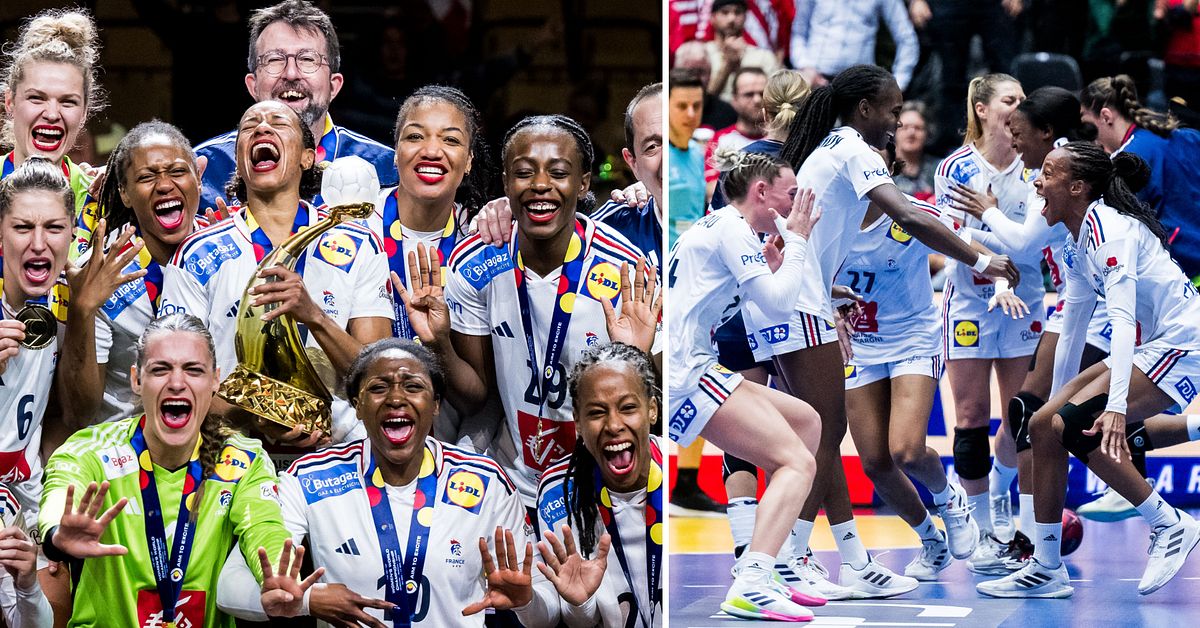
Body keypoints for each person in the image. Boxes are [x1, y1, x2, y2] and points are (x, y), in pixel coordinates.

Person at [772, 65, 1017, 599]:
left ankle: (819, 558)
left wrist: (828, 291)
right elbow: (907, 212)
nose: (897, 123)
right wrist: (985, 262)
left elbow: (913, 224)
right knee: (831, 443)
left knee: (851, 443)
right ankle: (792, 561)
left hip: (883, 328)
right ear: (864, 109)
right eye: (892, 110)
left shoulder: (827, 154)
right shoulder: (850, 149)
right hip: (816, 316)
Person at [977, 146, 1200, 598]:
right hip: (1152, 344)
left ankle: (1169, 523)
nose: (1037, 181)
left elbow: (1122, 323)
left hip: (1185, 344)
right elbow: (1072, 329)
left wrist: (1113, 407)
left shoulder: (1110, 232)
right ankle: (1046, 567)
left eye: (1048, 174)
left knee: (1078, 424)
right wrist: (1056, 405)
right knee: (1043, 425)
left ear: (1077, 188)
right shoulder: (1075, 242)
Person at [415, 115, 659, 509]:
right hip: (511, 483)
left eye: (558, 172)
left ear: (583, 183)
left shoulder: (625, 268)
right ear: (505, 183)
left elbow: (655, 406)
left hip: (599, 483)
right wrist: (439, 343)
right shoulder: (475, 262)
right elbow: (475, 397)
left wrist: (636, 356)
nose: (541, 184)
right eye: (524, 172)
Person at [214, 337, 530, 626]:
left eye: (413, 386)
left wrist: (527, 603)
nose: (396, 398)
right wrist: (306, 600)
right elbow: (229, 586)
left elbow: (544, 606)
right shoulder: (309, 477)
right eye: (378, 388)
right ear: (357, 405)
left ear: (435, 403)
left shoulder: (487, 481)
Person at [38, 313, 318, 626]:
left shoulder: (244, 458)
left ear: (215, 381)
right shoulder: (90, 449)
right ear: (137, 380)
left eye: (193, 370)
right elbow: (60, 493)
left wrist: (279, 574)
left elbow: (264, 527)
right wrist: (56, 533)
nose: (176, 383)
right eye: (160, 369)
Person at [160, 100, 394, 454]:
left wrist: (314, 316)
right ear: (239, 161)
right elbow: (176, 384)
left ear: (307, 157)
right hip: (231, 458)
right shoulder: (198, 254)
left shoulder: (357, 244)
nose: (262, 128)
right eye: (249, 126)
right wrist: (261, 409)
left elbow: (379, 375)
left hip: (339, 457)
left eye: (278, 123)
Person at [946, 87, 1114, 550]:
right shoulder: (1062, 161)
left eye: (1020, 132)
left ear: (1046, 132)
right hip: (1077, 299)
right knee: (1036, 416)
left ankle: (1152, 515)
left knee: (1052, 417)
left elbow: (1023, 243)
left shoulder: (1062, 170)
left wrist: (988, 212)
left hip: (1099, 303)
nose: (1015, 141)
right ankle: (1024, 527)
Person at [668, 148, 822, 620]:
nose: (797, 205)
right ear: (761, 192)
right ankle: (753, 579)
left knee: (806, 422)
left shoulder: (725, 228)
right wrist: (798, 241)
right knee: (797, 463)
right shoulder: (733, 229)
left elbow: (764, 302)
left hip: (689, 365)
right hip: (685, 373)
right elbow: (779, 306)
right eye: (791, 195)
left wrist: (776, 269)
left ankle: (779, 562)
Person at [838, 160, 979, 581]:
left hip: (913, 338)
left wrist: (995, 269)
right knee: (875, 463)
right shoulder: (830, 221)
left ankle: (949, 498)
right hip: (860, 344)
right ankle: (930, 540)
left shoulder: (912, 214)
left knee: (907, 451)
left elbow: (972, 242)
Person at [934, 73, 1038, 572]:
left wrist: (1007, 271)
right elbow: (951, 235)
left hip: (1026, 299)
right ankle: (978, 529)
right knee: (971, 416)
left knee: (1021, 414)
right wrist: (995, 272)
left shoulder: (1035, 164)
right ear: (981, 108)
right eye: (1009, 100)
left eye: (1023, 99)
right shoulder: (956, 168)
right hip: (970, 305)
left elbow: (1036, 236)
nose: (1019, 106)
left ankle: (1000, 496)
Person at [56, 121, 208, 436]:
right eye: (146, 177)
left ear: (199, 179)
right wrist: (83, 309)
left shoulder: (227, 253)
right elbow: (77, 415)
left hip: (208, 441)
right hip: (119, 446)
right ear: (124, 193)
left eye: (178, 172)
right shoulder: (97, 269)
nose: (164, 185)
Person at [494, 342, 662, 627]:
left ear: (652, 410)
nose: (613, 425)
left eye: (628, 408)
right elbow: (577, 620)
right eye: (596, 412)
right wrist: (577, 602)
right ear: (578, 423)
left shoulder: (672, 469)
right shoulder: (559, 491)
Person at [194, 0, 396, 210]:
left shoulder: (385, 168)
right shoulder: (205, 168)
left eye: (307, 59)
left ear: (333, 86)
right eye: (274, 59)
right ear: (253, 86)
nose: (291, 73)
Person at [0, 158, 79, 627]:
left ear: (71, 235)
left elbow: (75, 410)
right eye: (22, 227)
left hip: (26, 493)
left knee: (52, 610)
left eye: (53, 227)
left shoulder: (70, 299)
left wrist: (86, 311)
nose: (38, 242)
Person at [0, 7, 105, 262]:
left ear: (84, 113)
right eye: (36, 98)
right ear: (10, 103)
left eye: (68, 102)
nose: (52, 113)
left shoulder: (100, 197)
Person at [1080, 74, 1200, 281]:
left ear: (1106, 116)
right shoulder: (1189, 136)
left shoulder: (1126, 162)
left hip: (1185, 273)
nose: (1091, 139)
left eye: (1088, 126)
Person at [788, 0, 919, 91]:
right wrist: (805, 66)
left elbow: (907, 38)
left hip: (860, 86)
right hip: (815, 79)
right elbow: (798, 32)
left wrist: (897, 85)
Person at [705, 68, 768, 195]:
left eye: (762, 94)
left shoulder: (784, 139)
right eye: (749, 94)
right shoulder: (720, 141)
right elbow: (712, 190)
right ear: (734, 100)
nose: (757, 100)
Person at [704, 0, 780, 100]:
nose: (732, 18)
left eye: (738, 12)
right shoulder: (702, 54)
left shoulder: (764, 57)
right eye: (725, 12)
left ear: (745, 17)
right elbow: (700, 102)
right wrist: (727, 65)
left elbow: (776, 99)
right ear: (712, 17)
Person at [667, 69, 707, 246]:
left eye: (696, 106)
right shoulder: (657, 154)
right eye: (682, 106)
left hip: (693, 254)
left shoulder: (698, 152)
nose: (691, 114)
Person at [672, 42, 737, 131]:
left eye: (701, 72)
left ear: (710, 74)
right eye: (690, 72)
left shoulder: (727, 113)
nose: (695, 78)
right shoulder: (664, 110)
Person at [892, 101, 938, 201]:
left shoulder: (938, 169)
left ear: (927, 133)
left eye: (918, 128)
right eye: (905, 127)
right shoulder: (883, 168)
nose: (911, 133)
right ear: (894, 131)